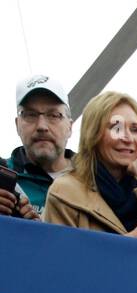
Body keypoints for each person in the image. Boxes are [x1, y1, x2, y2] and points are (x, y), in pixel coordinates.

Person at [42, 90, 137, 244]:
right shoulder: (65, 192)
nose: (128, 138)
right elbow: (63, 261)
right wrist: (132, 242)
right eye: (116, 128)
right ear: (93, 135)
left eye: (134, 129)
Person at [2, 74, 73, 218]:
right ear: (17, 125)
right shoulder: (4, 178)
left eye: (53, 115)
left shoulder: (96, 179)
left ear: (70, 127)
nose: (42, 126)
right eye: (30, 115)